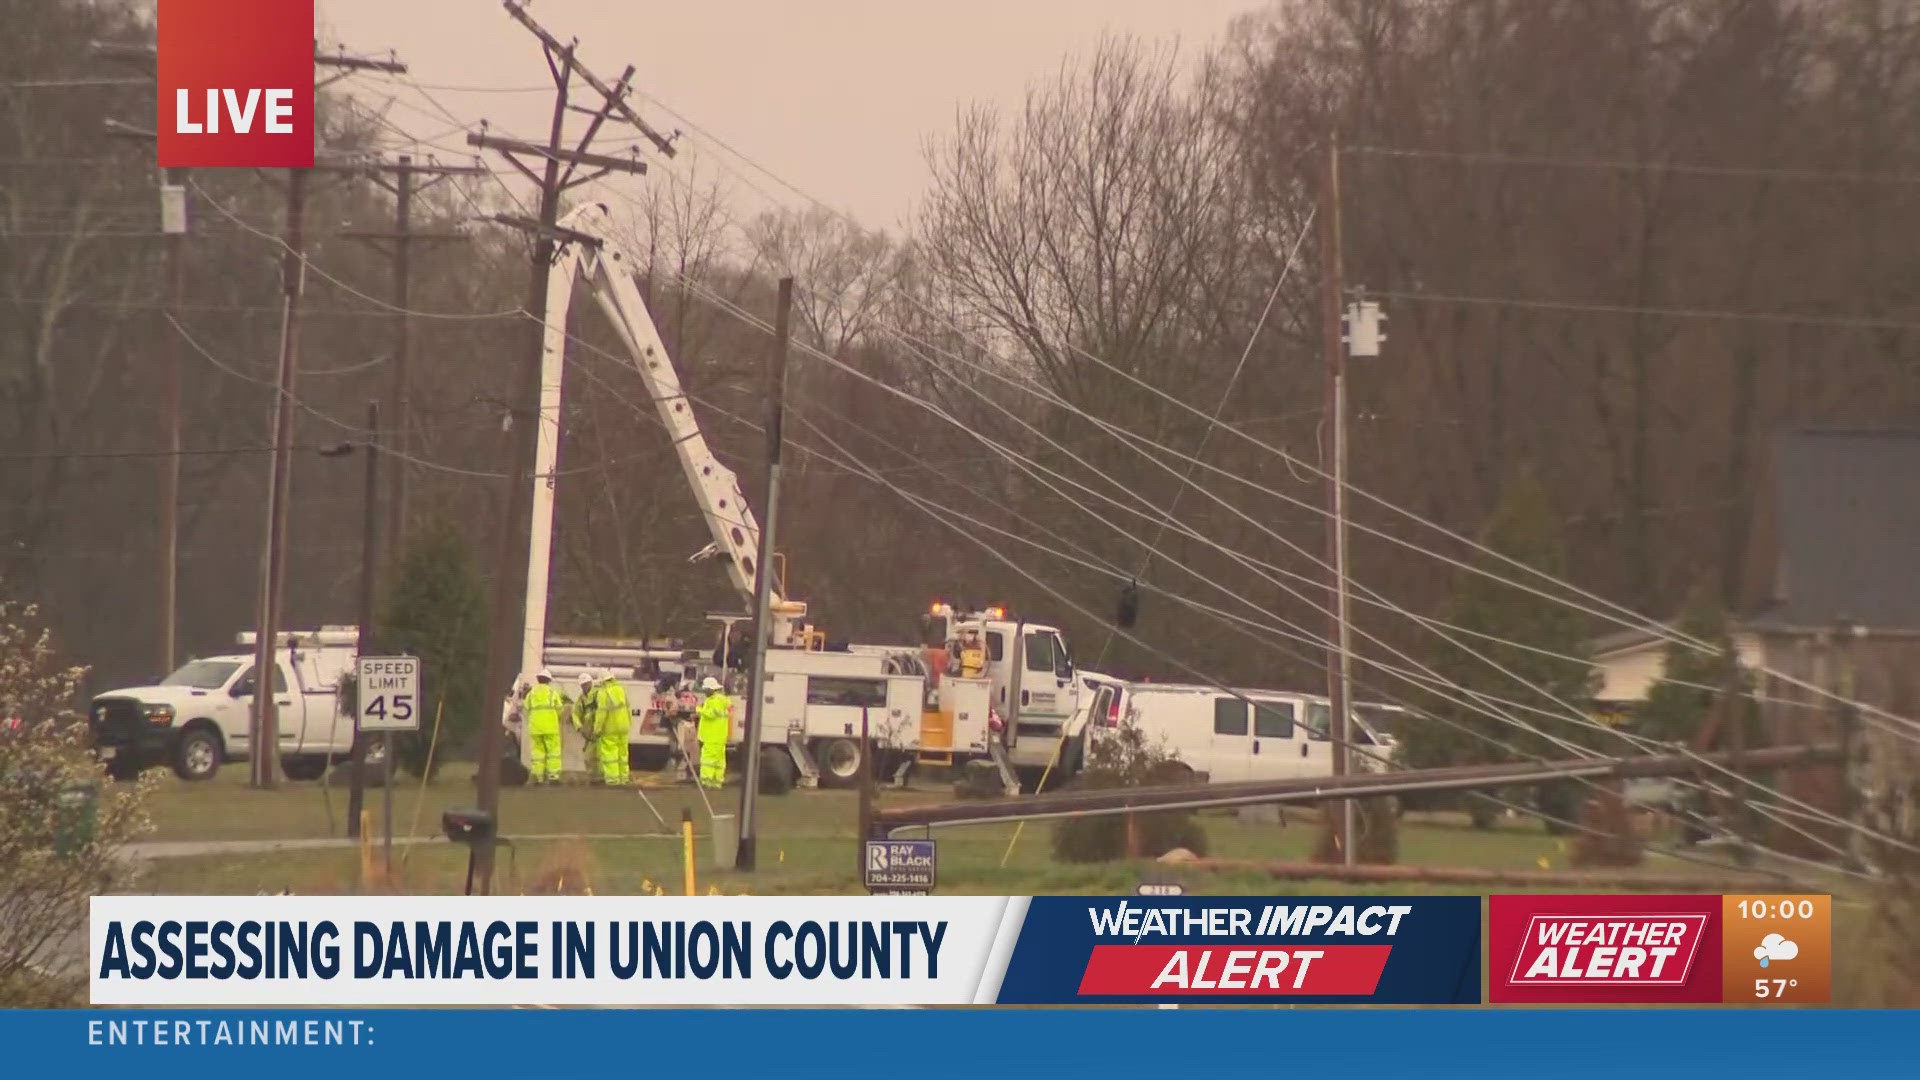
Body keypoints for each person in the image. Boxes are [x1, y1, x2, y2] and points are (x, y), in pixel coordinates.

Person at [523, 669, 565, 785]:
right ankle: (553, 776)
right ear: (549, 680)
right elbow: (560, 709)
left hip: (535, 728)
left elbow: (525, 709)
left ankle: (538, 777)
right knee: (553, 752)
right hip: (551, 727)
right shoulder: (552, 693)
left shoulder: (531, 694)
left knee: (537, 753)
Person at [595, 671, 631, 786]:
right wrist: (628, 723)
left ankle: (612, 779)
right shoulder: (621, 689)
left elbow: (601, 713)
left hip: (610, 728)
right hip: (624, 726)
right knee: (623, 753)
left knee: (610, 753)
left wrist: (597, 729)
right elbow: (628, 707)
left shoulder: (603, 692)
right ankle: (624, 778)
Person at [695, 676, 731, 788]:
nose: (704, 692)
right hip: (720, 736)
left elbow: (710, 714)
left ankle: (707, 780)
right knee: (719, 760)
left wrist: (698, 709)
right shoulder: (722, 701)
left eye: (706, 690)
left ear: (711, 689)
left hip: (711, 736)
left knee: (708, 760)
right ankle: (717, 781)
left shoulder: (714, 701)